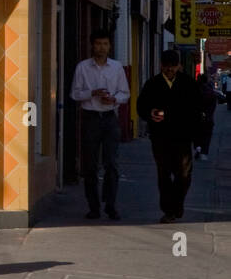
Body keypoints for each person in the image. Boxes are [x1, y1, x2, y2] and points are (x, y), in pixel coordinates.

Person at [69, 30, 129, 220]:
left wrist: (113, 99)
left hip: (110, 118)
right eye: (98, 44)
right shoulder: (82, 68)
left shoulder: (117, 67)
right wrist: (92, 93)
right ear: (92, 46)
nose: (101, 47)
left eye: (105, 44)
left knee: (112, 163)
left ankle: (110, 204)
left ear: (110, 46)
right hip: (91, 118)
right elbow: (75, 94)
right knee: (90, 166)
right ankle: (93, 206)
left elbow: (125, 93)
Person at [137, 51, 201, 223]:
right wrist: (150, 113)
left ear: (179, 66)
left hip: (183, 136)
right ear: (161, 66)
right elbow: (141, 106)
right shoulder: (153, 84)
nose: (169, 70)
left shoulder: (188, 84)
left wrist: (197, 138)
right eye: (166, 66)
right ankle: (168, 210)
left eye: (173, 66)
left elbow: (197, 110)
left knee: (184, 174)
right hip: (160, 137)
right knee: (164, 173)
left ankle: (177, 203)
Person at [195, 71, 220, 160]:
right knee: (206, 135)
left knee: (197, 134)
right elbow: (213, 105)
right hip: (208, 118)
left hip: (196, 118)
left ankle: (198, 147)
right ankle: (204, 153)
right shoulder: (211, 92)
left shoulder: (194, 91)